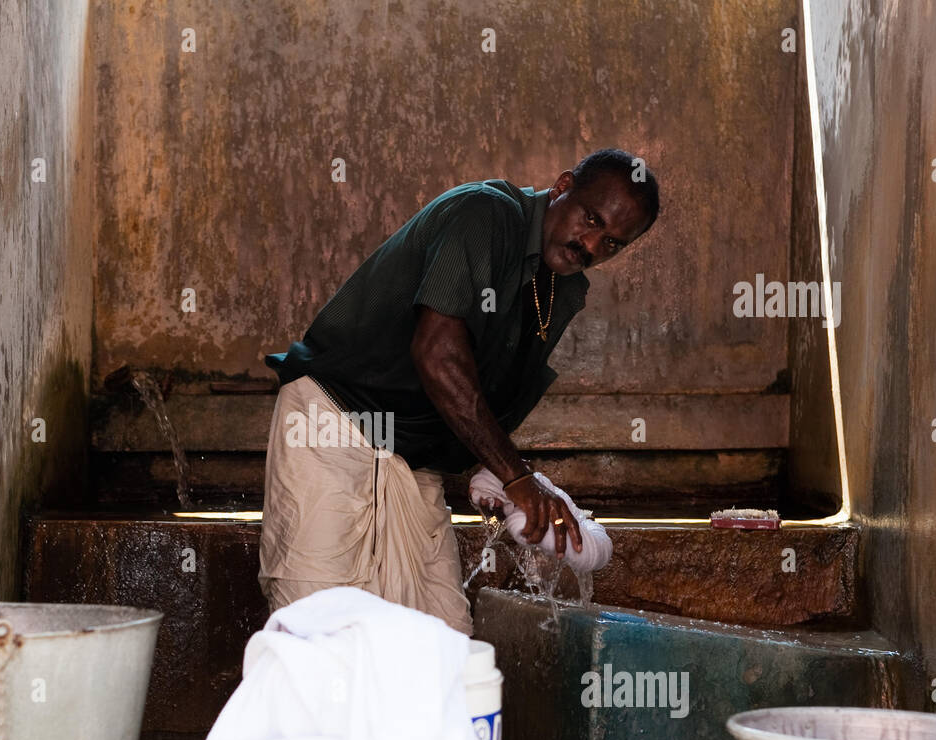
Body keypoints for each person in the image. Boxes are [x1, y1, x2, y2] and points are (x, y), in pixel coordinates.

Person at [258, 148, 660, 635]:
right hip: (333, 425)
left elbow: (480, 387)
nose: (592, 245)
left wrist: (487, 470)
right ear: (561, 187)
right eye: (590, 219)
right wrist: (516, 477)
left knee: (443, 635)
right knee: (319, 629)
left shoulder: (560, 288)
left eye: (612, 243)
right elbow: (439, 355)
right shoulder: (484, 214)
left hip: (411, 457)